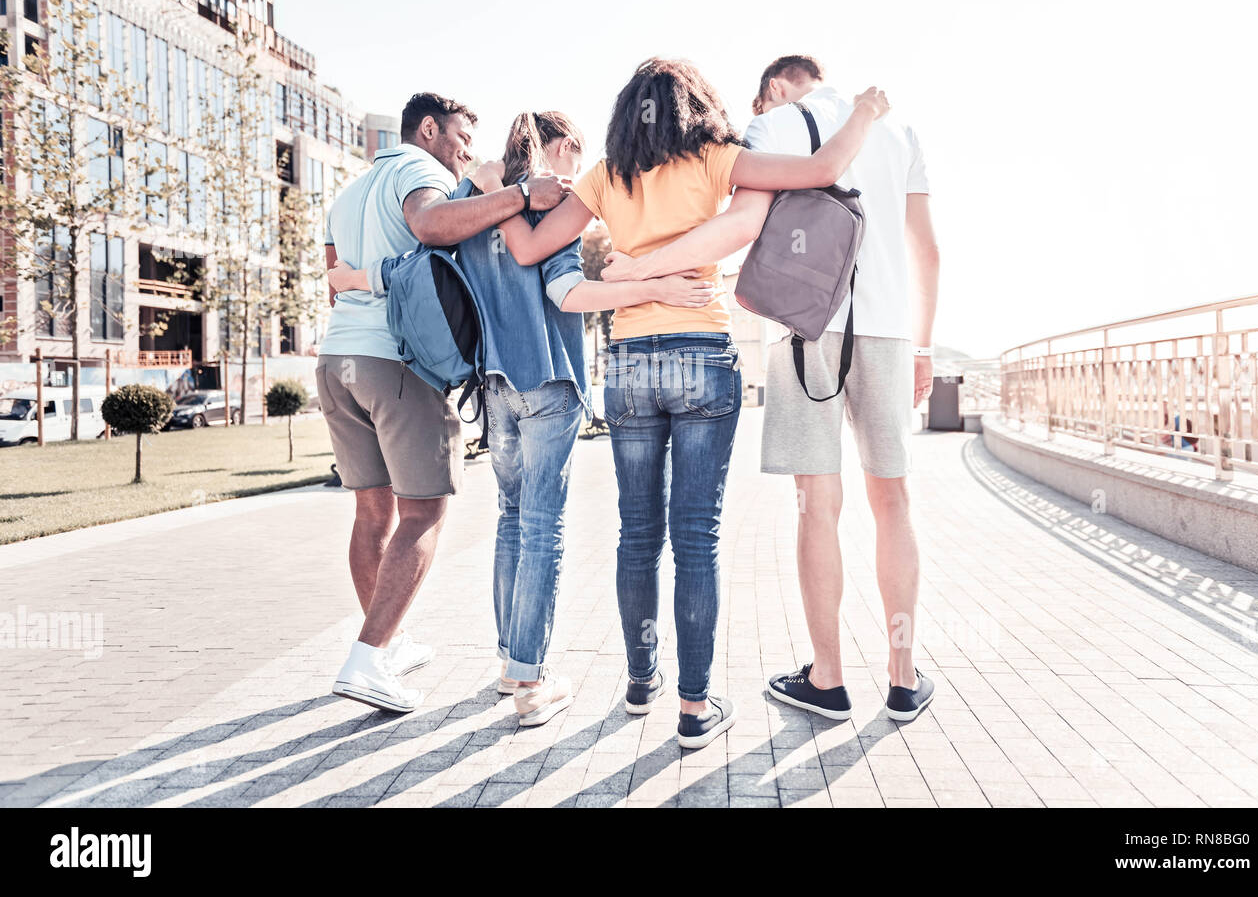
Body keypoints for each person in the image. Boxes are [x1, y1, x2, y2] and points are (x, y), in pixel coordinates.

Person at [475, 57, 891, 748]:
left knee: (637, 534)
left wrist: (504, 192)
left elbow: (529, 250)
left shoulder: (608, 173)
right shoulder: (718, 157)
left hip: (633, 364)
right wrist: (866, 112)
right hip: (702, 354)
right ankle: (694, 709)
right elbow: (823, 169)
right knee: (695, 537)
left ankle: (642, 682)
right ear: (698, 105)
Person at [328, 110, 713, 727]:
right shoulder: (545, 204)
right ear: (556, 147)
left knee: (512, 520)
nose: (580, 166)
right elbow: (565, 294)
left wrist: (355, 276)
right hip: (549, 380)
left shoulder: (471, 200)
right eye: (576, 150)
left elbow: (424, 263)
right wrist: (654, 289)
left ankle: (511, 662)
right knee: (543, 527)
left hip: (495, 386)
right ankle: (531, 679)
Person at [605, 55, 940, 723]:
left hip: (804, 329)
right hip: (888, 332)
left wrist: (641, 268)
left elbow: (741, 226)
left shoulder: (773, 126)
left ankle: (829, 678)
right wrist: (923, 345)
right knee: (892, 497)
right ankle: (903, 678)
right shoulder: (899, 133)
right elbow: (925, 248)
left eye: (760, 101)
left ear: (777, 86)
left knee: (819, 501)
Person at [319, 91, 569, 714]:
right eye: (460, 135)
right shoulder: (419, 169)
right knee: (423, 513)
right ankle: (369, 658)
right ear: (427, 128)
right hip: (396, 364)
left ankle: (390, 643)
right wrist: (519, 197)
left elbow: (333, 278)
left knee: (372, 514)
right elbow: (431, 226)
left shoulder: (349, 193)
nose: (466, 149)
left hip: (338, 361)